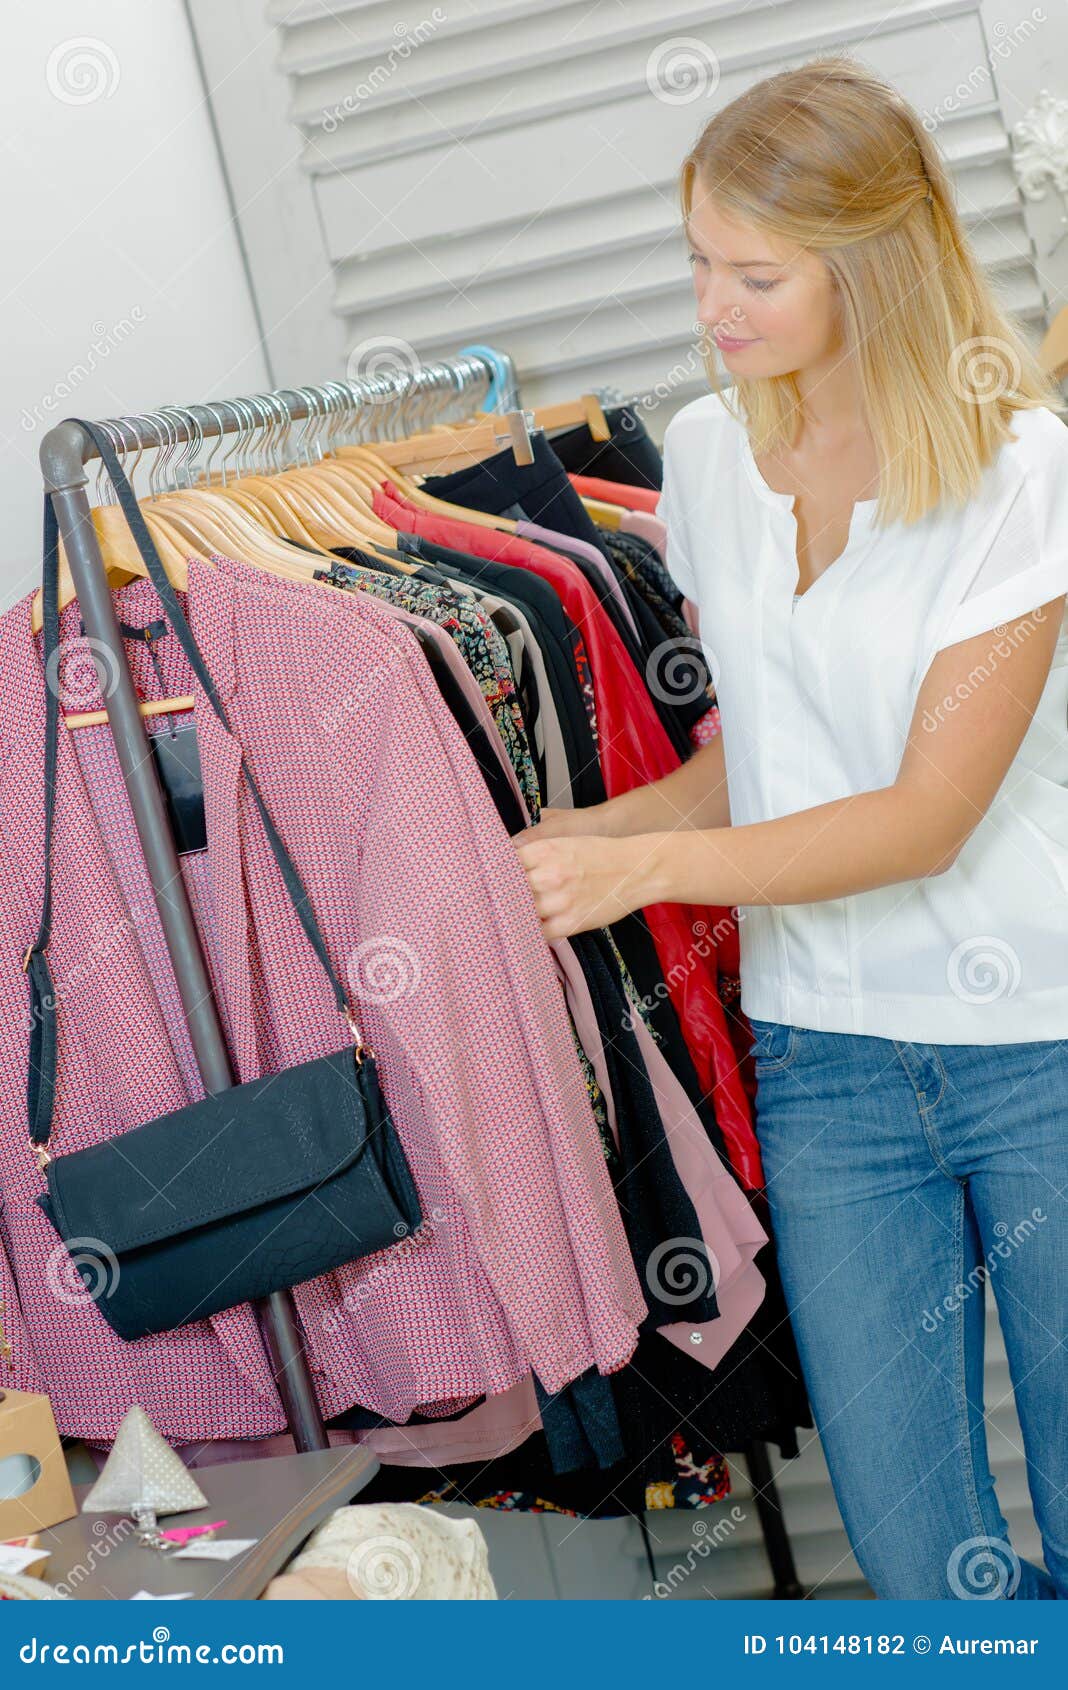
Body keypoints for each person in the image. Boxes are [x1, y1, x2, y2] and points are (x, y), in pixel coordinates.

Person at [515, 55, 1068, 1601]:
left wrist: (642, 870)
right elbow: (758, 754)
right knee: (917, 1562)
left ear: (874, 265)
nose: (713, 304)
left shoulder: (1020, 474)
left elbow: (921, 815)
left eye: (756, 272)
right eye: (698, 259)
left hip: (1039, 1047)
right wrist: (576, 845)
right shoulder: (704, 454)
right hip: (824, 1062)